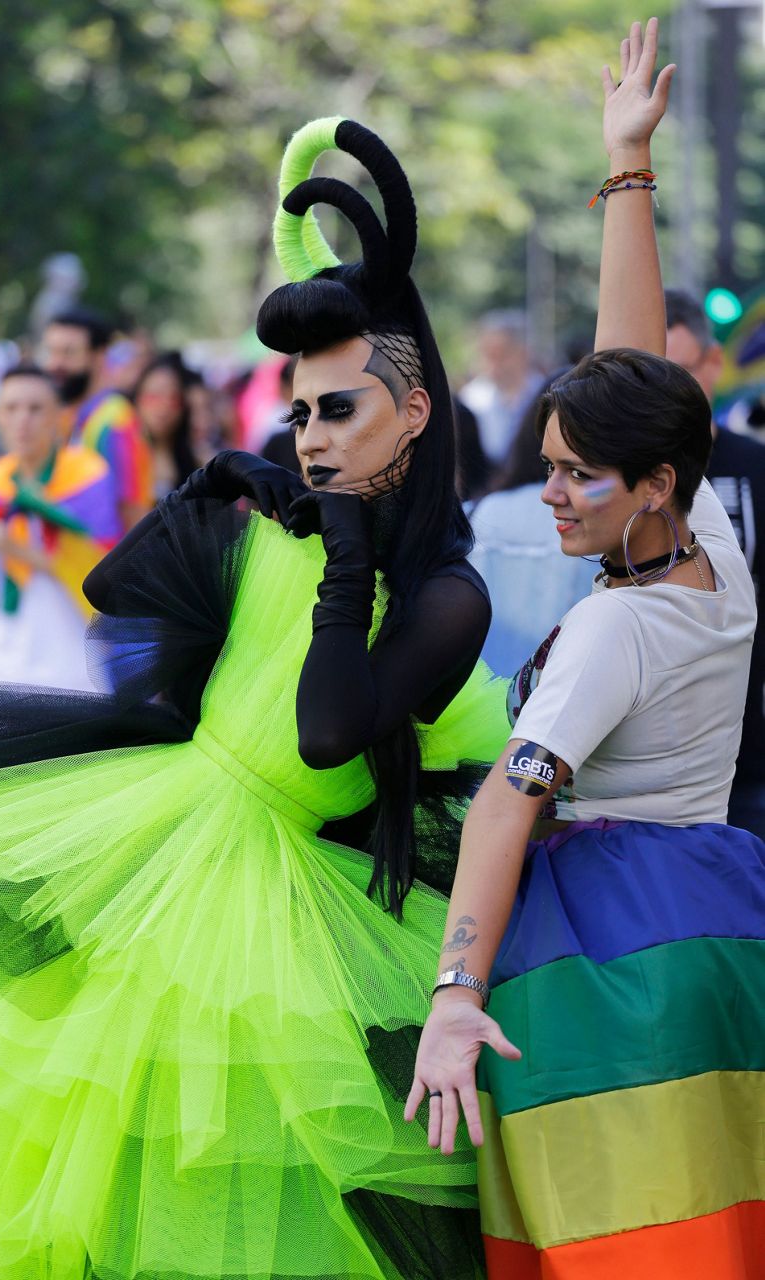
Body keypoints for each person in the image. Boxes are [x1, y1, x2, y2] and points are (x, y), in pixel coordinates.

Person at [0, 120, 511, 1280]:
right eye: (300, 411)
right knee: (93, 1168)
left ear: (414, 414)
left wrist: (343, 554)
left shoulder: (444, 594)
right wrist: (210, 478)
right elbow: (111, 588)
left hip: (277, 920)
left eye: (342, 410)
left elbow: (326, 733)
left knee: (238, 1203)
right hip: (155, 842)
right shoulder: (280, 513)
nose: (313, 437)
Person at [407, 20, 764, 1278]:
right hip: (709, 919)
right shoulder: (701, 546)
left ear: (652, 482)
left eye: (579, 477)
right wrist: (625, 169)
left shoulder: (614, 622)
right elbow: (630, 371)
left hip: (607, 965)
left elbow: (509, 805)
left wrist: (453, 996)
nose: (551, 495)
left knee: (624, 1247)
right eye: (546, 468)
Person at [665, 287, 765, 837]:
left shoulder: (755, 465)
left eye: (680, 370)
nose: (666, 391)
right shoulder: (613, 479)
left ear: (714, 364)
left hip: (747, 744)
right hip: (653, 747)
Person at [0, 365, 120, 689]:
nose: (23, 420)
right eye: (11, 408)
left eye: (35, 408)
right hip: (9, 630)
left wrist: (15, 549)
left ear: (58, 416)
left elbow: (101, 565)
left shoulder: (87, 474)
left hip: (76, 628)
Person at [468, 371, 595, 676]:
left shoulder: (474, 515)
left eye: (577, 470)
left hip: (476, 707)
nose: (550, 495)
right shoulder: (603, 528)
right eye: (550, 466)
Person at [42, 306, 153, 529]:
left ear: (99, 356)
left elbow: (133, 514)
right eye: (52, 352)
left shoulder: (115, 422)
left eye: (68, 353)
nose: (55, 364)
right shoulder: (68, 415)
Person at [459, 309, 544, 472]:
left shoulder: (545, 395)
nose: (494, 363)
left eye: (502, 353)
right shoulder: (471, 399)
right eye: (488, 354)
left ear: (524, 352)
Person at [133, 352, 200, 499]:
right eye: (154, 396)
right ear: (137, 399)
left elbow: (250, 516)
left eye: (172, 398)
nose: (163, 407)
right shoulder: (122, 456)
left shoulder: (200, 461)